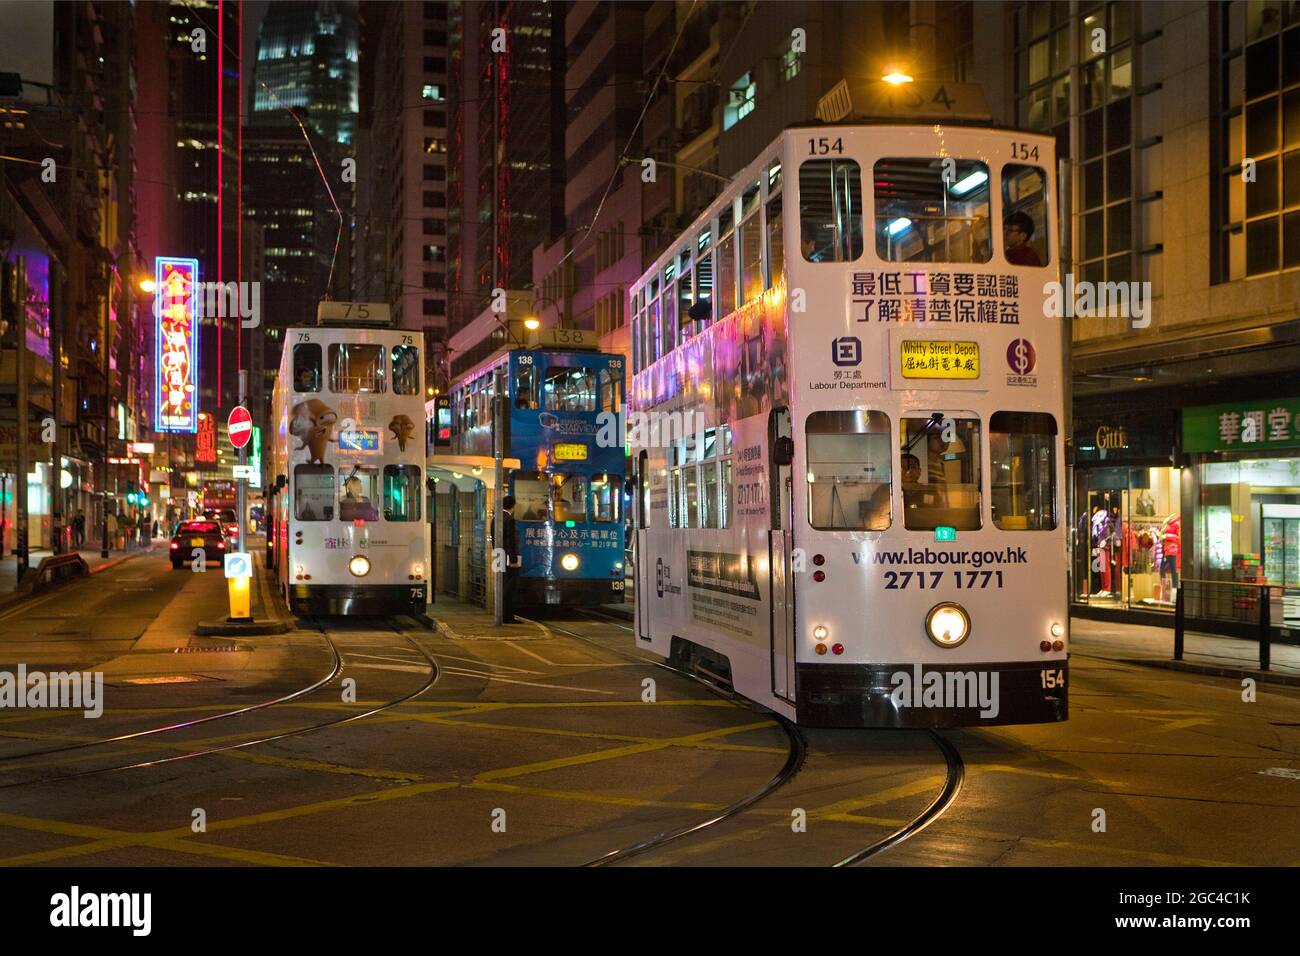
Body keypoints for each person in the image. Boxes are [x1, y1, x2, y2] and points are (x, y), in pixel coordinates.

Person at [502, 494, 520, 624]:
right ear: (513, 506)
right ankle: (508, 616)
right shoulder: (509, 519)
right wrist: (513, 559)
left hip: (499, 556)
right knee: (509, 588)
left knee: (502, 586)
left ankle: (502, 614)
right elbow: (510, 540)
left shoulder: (496, 519)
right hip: (508, 558)